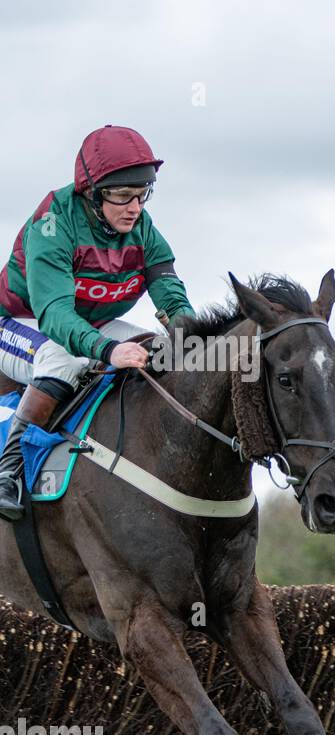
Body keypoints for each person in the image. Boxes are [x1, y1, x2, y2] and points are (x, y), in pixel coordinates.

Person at [0, 125, 195, 521]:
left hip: (86, 323)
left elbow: (170, 294)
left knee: (153, 346)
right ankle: (10, 471)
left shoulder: (143, 229)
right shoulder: (52, 223)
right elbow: (55, 315)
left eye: (142, 195)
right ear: (92, 192)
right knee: (62, 359)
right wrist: (108, 350)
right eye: (123, 196)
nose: (134, 208)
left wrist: (188, 333)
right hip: (20, 321)